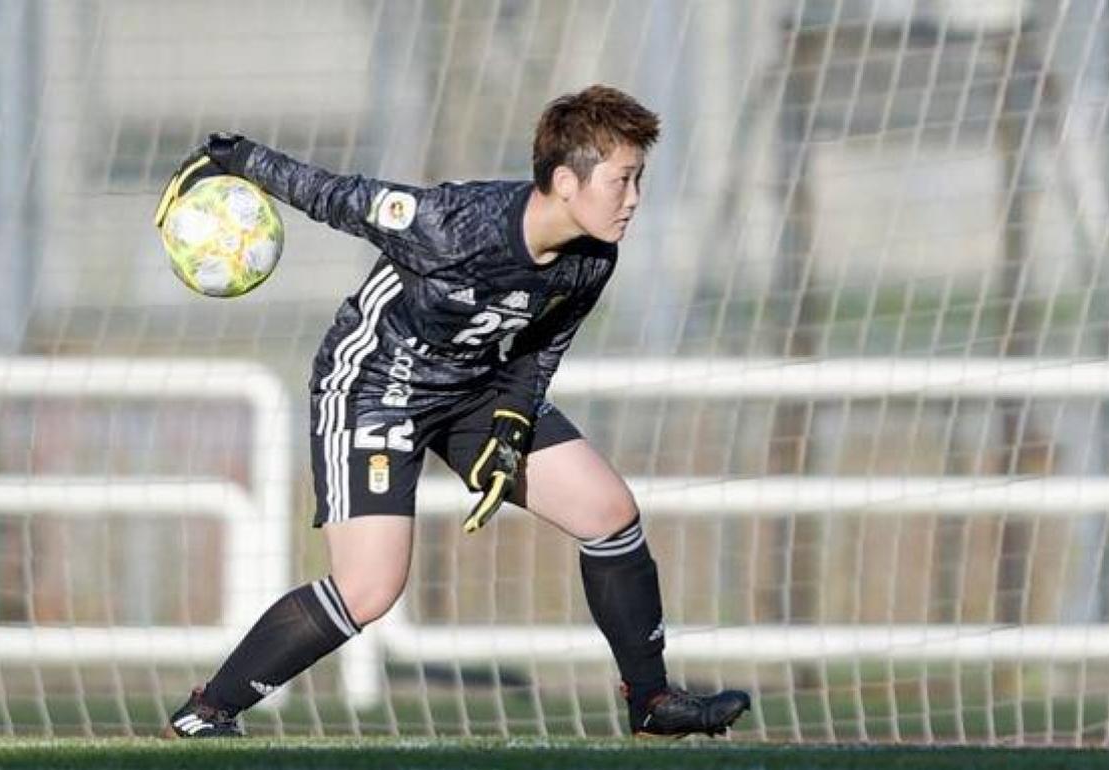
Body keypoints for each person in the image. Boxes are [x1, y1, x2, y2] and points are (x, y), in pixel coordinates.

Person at [154, 85, 750, 739]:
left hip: (476, 389)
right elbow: (336, 194)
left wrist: (512, 422)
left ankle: (652, 700)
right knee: (370, 589)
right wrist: (237, 158)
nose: (634, 198)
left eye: (638, 180)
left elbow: (542, 346)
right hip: (375, 387)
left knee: (609, 512)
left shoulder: (593, 255)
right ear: (564, 181)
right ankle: (208, 710)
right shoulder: (449, 223)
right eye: (623, 180)